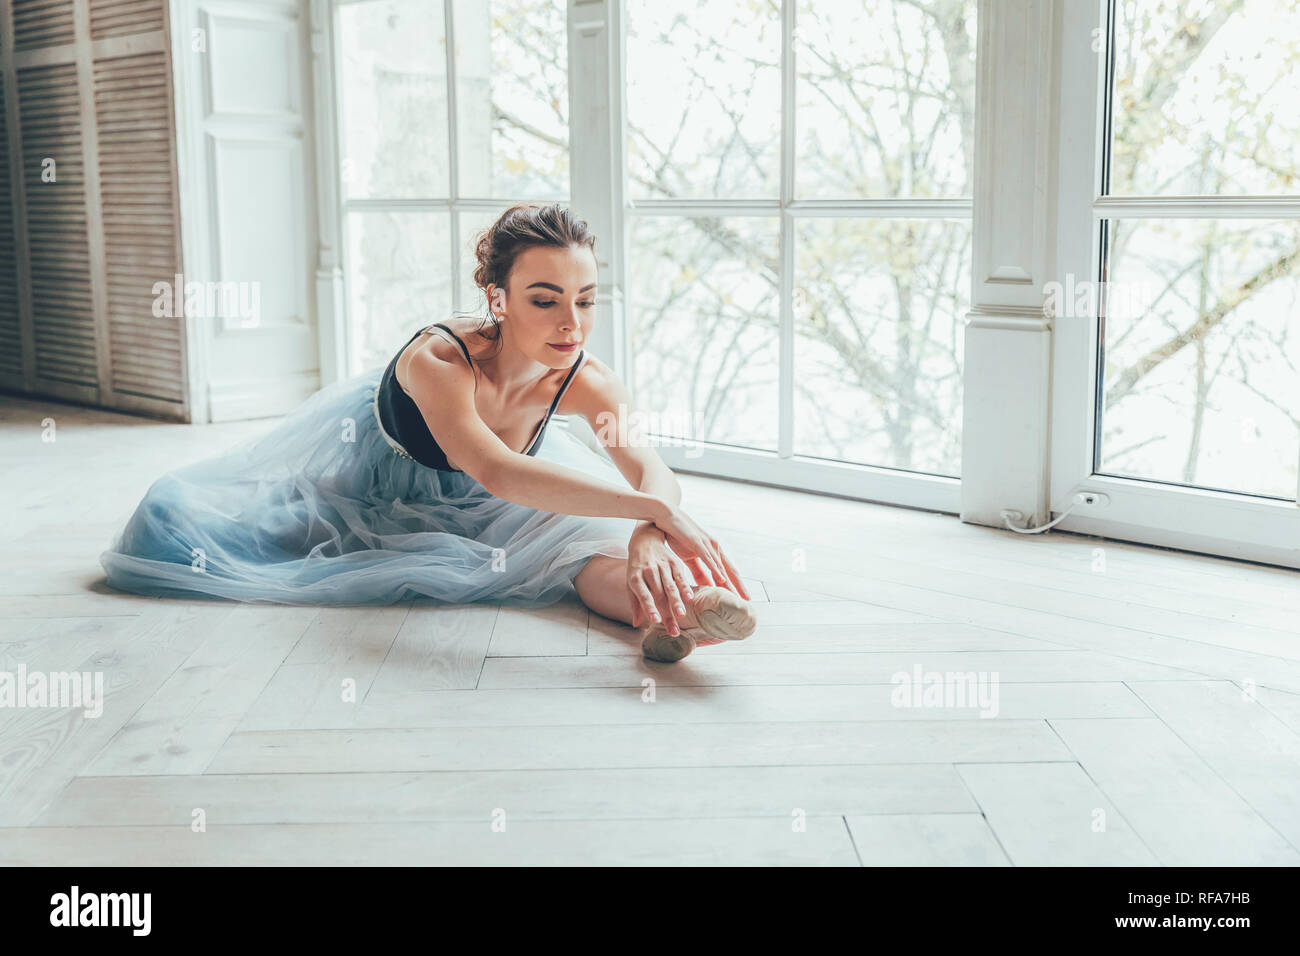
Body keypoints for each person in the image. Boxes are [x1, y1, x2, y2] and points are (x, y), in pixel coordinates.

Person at [100, 202, 756, 663]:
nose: (572, 324)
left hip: (507, 491)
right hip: (386, 479)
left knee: (583, 552)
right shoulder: (438, 360)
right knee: (198, 528)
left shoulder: (589, 378)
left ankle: (683, 613)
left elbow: (648, 467)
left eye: (585, 299)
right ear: (499, 299)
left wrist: (648, 527)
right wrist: (651, 510)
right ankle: (670, 601)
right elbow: (496, 470)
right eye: (545, 298)